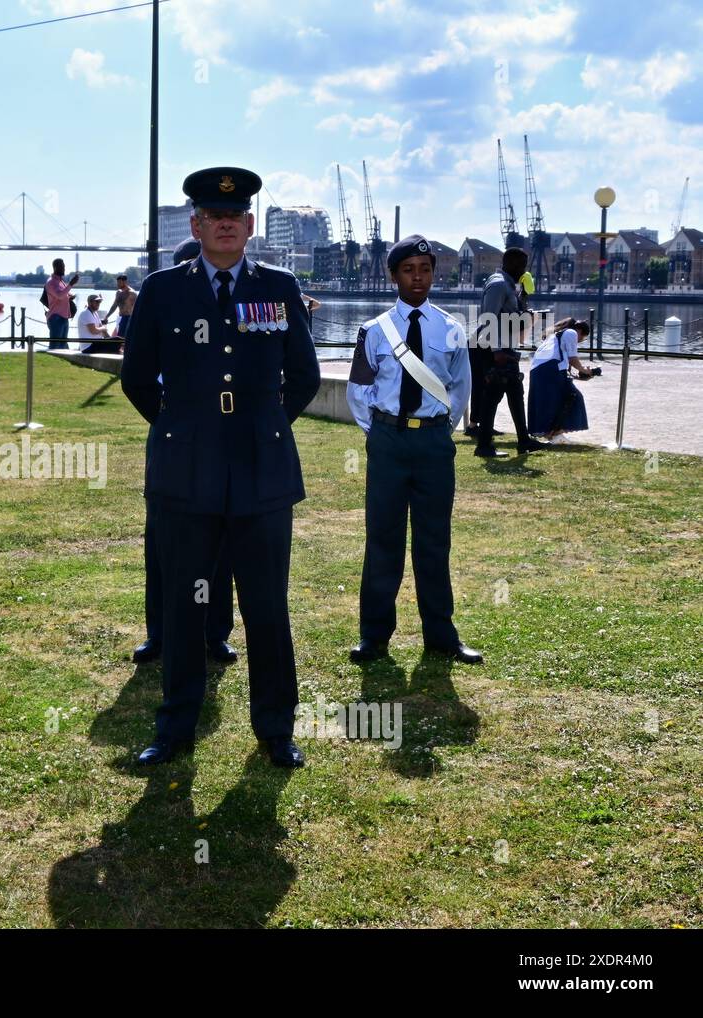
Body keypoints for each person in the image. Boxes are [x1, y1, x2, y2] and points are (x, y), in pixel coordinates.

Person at [121, 166, 321, 768]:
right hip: (187, 471)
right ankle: (176, 726)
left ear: (250, 225)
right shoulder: (162, 290)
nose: (226, 225)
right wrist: (182, 426)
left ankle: (275, 728)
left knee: (267, 604)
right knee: (184, 605)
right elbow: (136, 378)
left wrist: (263, 424)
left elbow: (305, 377)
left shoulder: (281, 288)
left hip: (262, 470)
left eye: (235, 218)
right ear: (197, 225)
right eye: (214, 217)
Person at [345, 235, 483, 667]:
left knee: (434, 541)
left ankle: (441, 635)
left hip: (433, 444)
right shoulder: (374, 330)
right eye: (409, 270)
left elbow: (460, 387)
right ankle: (374, 637)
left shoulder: (452, 328)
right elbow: (358, 389)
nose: (417, 277)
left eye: (424, 269)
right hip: (388, 442)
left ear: (432, 274)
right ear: (394, 276)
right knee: (382, 539)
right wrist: (382, 431)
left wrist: (438, 428)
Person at [132, 238, 236, 668]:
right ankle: (159, 634)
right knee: (162, 542)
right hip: (171, 436)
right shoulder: (161, 304)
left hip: (219, 439)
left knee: (221, 542)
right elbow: (138, 375)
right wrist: (168, 421)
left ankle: (216, 634)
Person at [475, 247, 544, 457]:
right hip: (497, 350)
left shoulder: (509, 285)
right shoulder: (498, 284)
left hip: (507, 347)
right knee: (492, 397)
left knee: (515, 395)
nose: (524, 270)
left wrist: (523, 298)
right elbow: (488, 319)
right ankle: (484, 445)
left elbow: (511, 315)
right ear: (512, 263)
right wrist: (496, 351)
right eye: (522, 266)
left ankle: (523, 441)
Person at [528, 317, 593, 440]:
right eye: (583, 337)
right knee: (574, 397)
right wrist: (585, 370)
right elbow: (572, 358)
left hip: (538, 369)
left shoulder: (553, 335)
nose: (580, 341)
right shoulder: (571, 333)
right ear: (579, 331)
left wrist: (577, 372)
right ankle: (556, 432)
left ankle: (548, 432)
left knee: (547, 402)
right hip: (550, 369)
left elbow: (561, 358)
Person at [43, 258, 79, 350]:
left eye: (64, 267)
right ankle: (51, 363)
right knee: (55, 347)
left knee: (63, 346)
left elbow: (64, 293)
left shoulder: (60, 281)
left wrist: (70, 296)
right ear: (55, 267)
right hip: (55, 318)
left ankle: (60, 362)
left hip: (64, 317)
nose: (64, 269)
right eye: (62, 267)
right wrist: (71, 284)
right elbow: (59, 295)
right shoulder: (50, 282)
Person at [104, 274, 137, 339]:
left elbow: (138, 308)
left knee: (122, 338)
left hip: (128, 318)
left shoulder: (132, 293)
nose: (118, 284)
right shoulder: (118, 292)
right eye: (117, 282)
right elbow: (114, 306)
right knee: (119, 337)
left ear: (125, 282)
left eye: (119, 282)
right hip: (120, 318)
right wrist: (107, 316)